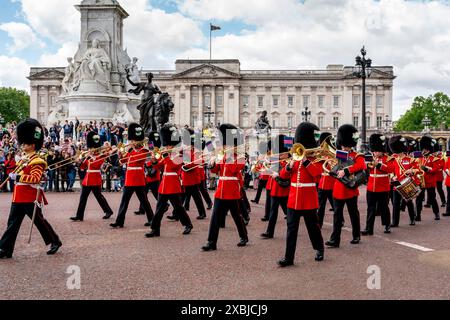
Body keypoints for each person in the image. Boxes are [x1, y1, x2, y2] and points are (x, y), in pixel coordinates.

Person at [0, 118, 62, 259]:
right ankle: (5, 249)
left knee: (40, 222)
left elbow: (35, 178)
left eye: (25, 143)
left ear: (33, 145)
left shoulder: (37, 161)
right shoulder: (23, 158)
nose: (23, 145)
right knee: (12, 224)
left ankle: (55, 241)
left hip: (29, 197)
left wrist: (19, 177)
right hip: (18, 196)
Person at [277, 123, 325, 266]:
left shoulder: (316, 159)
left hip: (308, 199)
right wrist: (288, 166)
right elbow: (283, 176)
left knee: (313, 228)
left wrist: (305, 162)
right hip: (293, 199)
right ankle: (289, 257)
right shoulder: (294, 158)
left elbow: (317, 175)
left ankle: (319, 248)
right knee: (291, 229)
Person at [202, 124, 248, 251]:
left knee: (237, 216)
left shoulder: (240, 157)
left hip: (232, 190)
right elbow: (217, 170)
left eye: (226, 145)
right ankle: (211, 242)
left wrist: (226, 156)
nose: (224, 147)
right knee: (215, 216)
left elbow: (234, 169)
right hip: (220, 190)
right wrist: (212, 164)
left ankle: (244, 236)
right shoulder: (222, 155)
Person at [145, 124, 193, 237]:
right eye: (167, 145)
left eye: (169, 145)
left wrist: (166, 156)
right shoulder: (168, 154)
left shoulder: (179, 154)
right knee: (159, 209)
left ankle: (188, 224)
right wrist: (154, 161)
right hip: (164, 184)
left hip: (173, 184)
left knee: (179, 208)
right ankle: (155, 229)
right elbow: (159, 167)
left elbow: (172, 166)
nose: (167, 147)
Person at [326, 124, 366, 248]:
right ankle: (335, 240)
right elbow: (333, 168)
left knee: (353, 213)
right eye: (343, 145)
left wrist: (346, 171)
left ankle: (356, 235)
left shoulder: (356, 155)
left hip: (350, 189)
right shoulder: (338, 155)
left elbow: (361, 166)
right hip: (338, 189)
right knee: (337, 216)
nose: (345, 147)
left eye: (346, 145)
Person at [110, 123, 153, 228]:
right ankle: (119, 221)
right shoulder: (130, 151)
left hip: (138, 179)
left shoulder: (144, 151)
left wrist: (130, 149)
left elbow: (142, 158)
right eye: (131, 140)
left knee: (144, 201)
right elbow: (122, 162)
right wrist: (120, 154)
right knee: (124, 201)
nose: (131, 142)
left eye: (133, 141)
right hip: (129, 179)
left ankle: (152, 219)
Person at [70, 131, 113, 222]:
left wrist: (91, 157)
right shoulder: (88, 157)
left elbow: (96, 165)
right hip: (87, 180)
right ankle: (79, 215)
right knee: (83, 198)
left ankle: (108, 211)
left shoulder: (100, 156)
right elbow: (83, 167)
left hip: (95, 179)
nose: (90, 149)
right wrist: (79, 161)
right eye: (90, 148)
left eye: (92, 148)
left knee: (99, 197)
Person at [362, 134, 394, 236]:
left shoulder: (388, 159)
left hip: (383, 187)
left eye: (377, 151)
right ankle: (369, 228)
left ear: (382, 150)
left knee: (384, 207)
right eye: (374, 151)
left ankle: (387, 225)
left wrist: (379, 165)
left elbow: (391, 169)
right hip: (371, 187)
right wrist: (367, 165)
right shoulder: (369, 157)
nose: (375, 153)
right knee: (370, 208)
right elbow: (363, 166)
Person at [261, 134, 290, 239]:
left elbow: (286, 172)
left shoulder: (286, 159)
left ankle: (292, 227)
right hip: (275, 188)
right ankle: (270, 232)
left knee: (288, 212)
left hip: (283, 189)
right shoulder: (276, 157)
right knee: (273, 211)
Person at [389, 136, 418, 227]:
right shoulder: (393, 159)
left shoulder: (410, 159)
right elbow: (391, 171)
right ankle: (395, 222)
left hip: (406, 184)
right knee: (396, 204)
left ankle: (412, 218)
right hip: (397, 184)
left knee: (409, 202)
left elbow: (418, 169)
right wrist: (392, 176)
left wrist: (411, 171)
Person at [415, 136, 440, 221]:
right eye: (423, 149)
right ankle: (417, 215)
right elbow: (417, 168)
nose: (423, 151)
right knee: (418, 199)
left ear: (429, 150)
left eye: (425, 150)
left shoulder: (434, 159)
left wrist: (426, 169)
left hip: (430, 182)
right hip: (421, 182)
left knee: (432, 198)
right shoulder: (420, 159)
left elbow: (435, 169)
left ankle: (436, 213)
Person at [317, 133, 335, 227]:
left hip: (331, 184)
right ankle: (319, 223)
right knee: (320, 206)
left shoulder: (334, 155)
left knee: (335, 206)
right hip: (322, 184)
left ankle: (340, 220)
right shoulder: (320, 157)